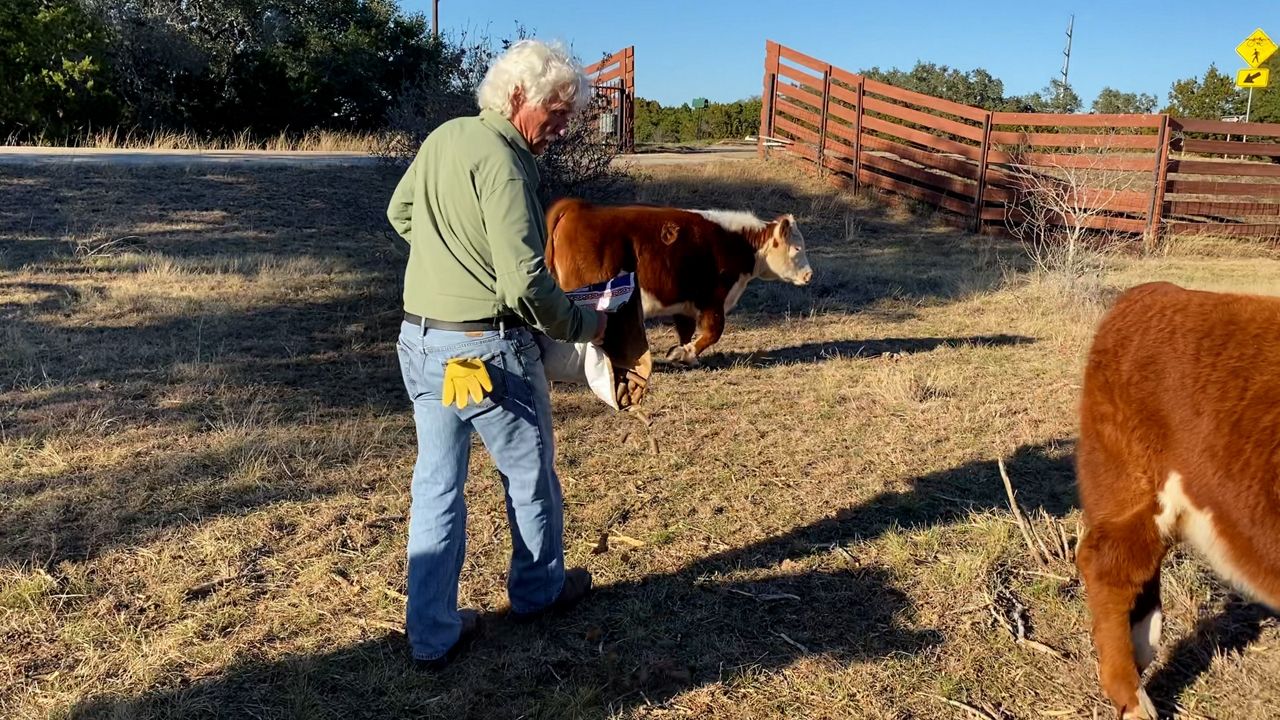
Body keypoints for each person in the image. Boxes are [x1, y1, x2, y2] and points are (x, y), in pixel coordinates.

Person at [385, 39, 608, 669]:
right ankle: (539, 590)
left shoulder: (444, 138)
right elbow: (524, 283)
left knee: (436, 486)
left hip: (423, 343)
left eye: (568, 115)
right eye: (555, 111)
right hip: (488, 350)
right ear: (516, 97)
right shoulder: (507, 164)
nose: (561, 127)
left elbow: (402, 212)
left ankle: (431, 633)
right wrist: (585, 326)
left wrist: (449, 255)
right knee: (529, 475)